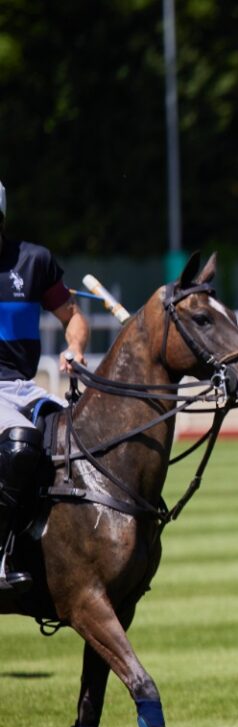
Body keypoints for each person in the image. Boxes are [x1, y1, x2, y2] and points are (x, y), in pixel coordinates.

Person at [0, 180, 88, 592]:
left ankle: (55, 549)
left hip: (23, 386)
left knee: (78, 436)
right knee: (20, 443)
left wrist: (75, 348)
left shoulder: (34, 261)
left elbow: (73, 316)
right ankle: (2, 555)